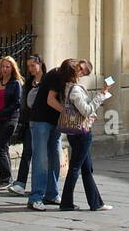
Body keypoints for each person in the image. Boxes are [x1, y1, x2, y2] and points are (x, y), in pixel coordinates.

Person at [57, 59, 114, 212]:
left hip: (74, 132)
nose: (81, 71)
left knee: (87, 168)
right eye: (78, 69)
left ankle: (96, 203)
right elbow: (86, 110)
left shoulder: (67, 86)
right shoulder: (75, 89)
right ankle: (67, 203)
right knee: (75, 168)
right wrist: (102, 94)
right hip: (82, 133)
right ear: (73, 72)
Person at [27, 58, 70, 211]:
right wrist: (68, 113)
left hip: (55, 122)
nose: (80, 76)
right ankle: (35, 197)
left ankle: (52, 193)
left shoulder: (66, 79)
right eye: (80, 72)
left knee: (55, 158)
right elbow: (51, 100)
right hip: (41, 121)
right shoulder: (56, 75)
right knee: (41, 159)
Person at [8, 55, 46, 196]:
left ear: (40, 64)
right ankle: (20, 183)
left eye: (33, 65)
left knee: (42, 155)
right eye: (29, 66)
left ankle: (43, 186)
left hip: (44, 122)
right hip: (30, 121)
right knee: (27, 152)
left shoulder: (47, 80)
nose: (30, 69)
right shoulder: (29, 82)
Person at [0, 56, 23, 189]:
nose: (4, 69)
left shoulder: (16, 83)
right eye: (3, 66)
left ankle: (5, 179)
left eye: (7, 67)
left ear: (12, 68)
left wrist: (0, 113)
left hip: (10, 119)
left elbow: (17, 103)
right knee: (3, 147)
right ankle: (7, 177)